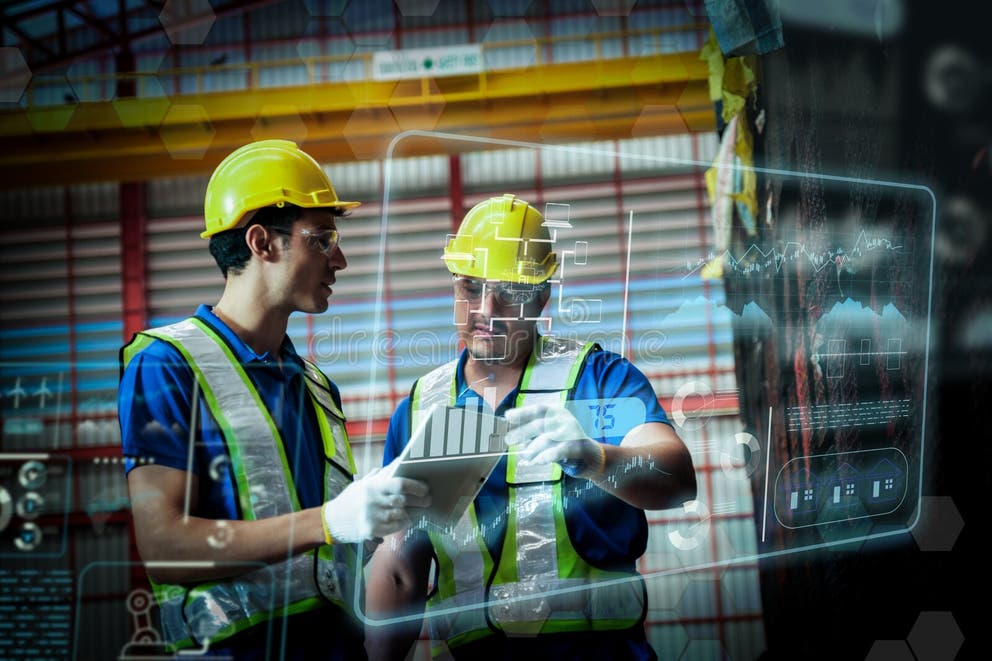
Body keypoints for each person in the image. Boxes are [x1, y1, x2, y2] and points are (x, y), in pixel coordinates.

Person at [118, 139, 430, 659]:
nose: (341, 259)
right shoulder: (167, 364)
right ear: (262, 242)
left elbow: (333, 554)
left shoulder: (315, 386)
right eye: (323, 239)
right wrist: (327, 521)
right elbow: (164, 547)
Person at [365, 194, 697, 660]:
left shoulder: (596, 381)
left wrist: (597, 457)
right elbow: (400, 569)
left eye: (511, 292)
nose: (487, 309)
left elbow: (676, 478)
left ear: (542, 297)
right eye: (470, 288)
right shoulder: (424, 409)